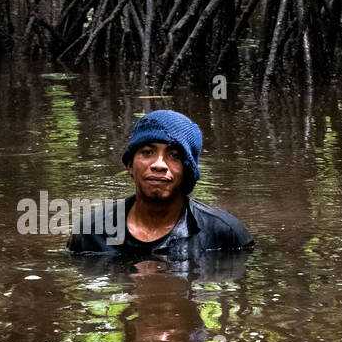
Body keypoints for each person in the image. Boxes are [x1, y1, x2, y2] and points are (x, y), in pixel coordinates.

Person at [67, 109, 253, 260]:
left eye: (174, 156)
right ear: (130, 165)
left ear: (187, 171)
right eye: (148, 152)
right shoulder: (91, 232)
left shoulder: (224, 233)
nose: (159, 165)